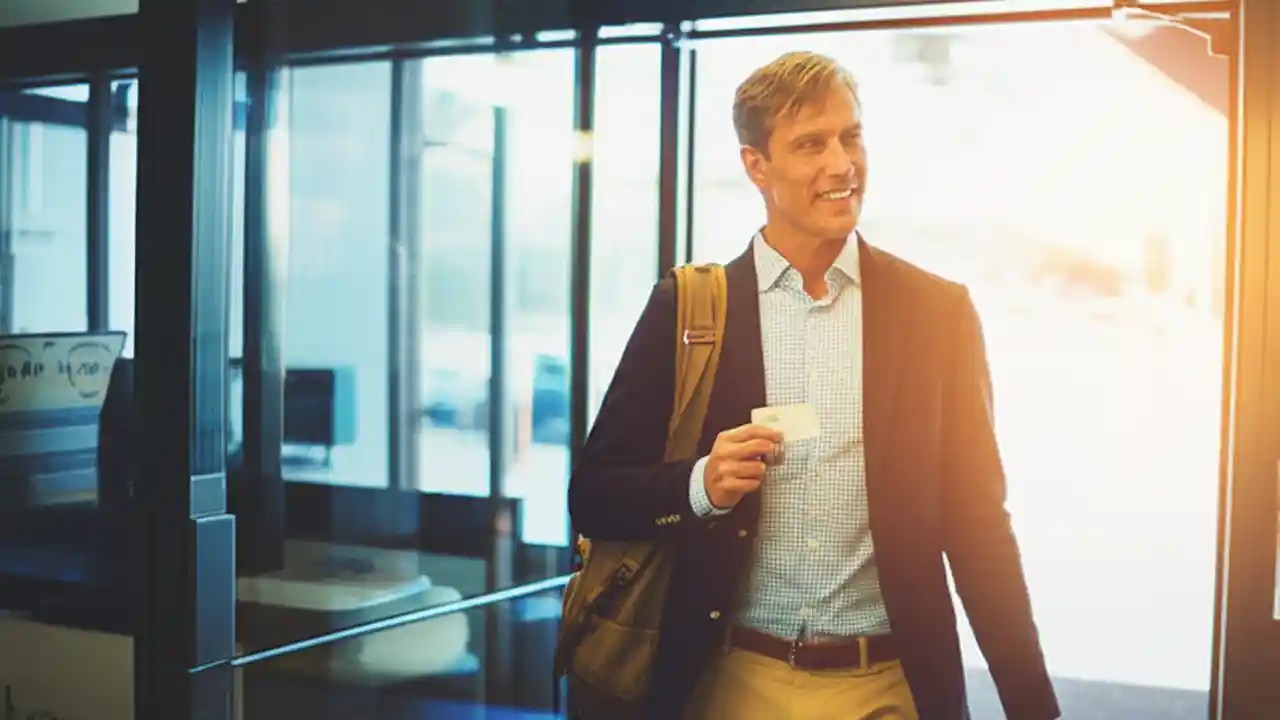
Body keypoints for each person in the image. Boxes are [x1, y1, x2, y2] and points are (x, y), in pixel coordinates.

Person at [567, 50, 1059, 720]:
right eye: (810, 144)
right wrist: (699, 487)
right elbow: (595, 495)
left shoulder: (935, 311)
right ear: (756, 166)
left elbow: (977, 524)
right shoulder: (689, 310)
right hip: (732, 683)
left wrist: (1033, 705)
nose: (841, 164)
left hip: (888, 687)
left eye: (850, 137)